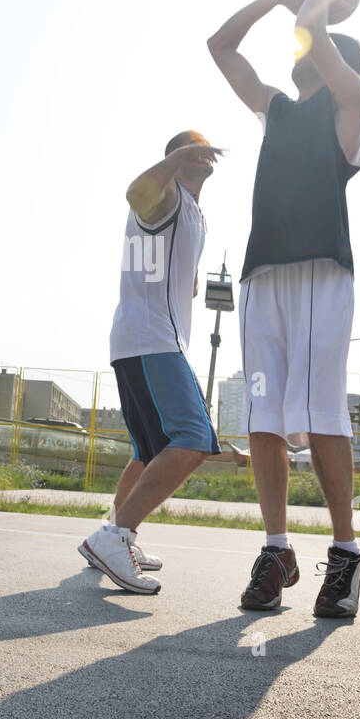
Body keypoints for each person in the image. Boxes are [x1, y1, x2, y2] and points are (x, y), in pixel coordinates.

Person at [207, 0, 360, 618]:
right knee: (263, 417)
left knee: (323, 412)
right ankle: (276, 549)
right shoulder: (275, 109)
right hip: (264, 275)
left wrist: (313, 1)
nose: (303, 50)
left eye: (319, 48)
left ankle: (345, 555)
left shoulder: (351, 109)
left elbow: (311, 31)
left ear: (335, 61)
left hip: (322, 277)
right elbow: (219, 47)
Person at [79, 132, 223, 593]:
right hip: (152, 340)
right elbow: (135, 193)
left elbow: (176, 273)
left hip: (144, 339)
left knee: (148, 451)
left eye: (203, 146)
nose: (204, 151)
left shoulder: (192, 211)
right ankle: (113, 537)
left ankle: (117, 537)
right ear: (178, 159)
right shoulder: (162, 194)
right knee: (194, 438)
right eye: (192, 147)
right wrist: (178, 156)